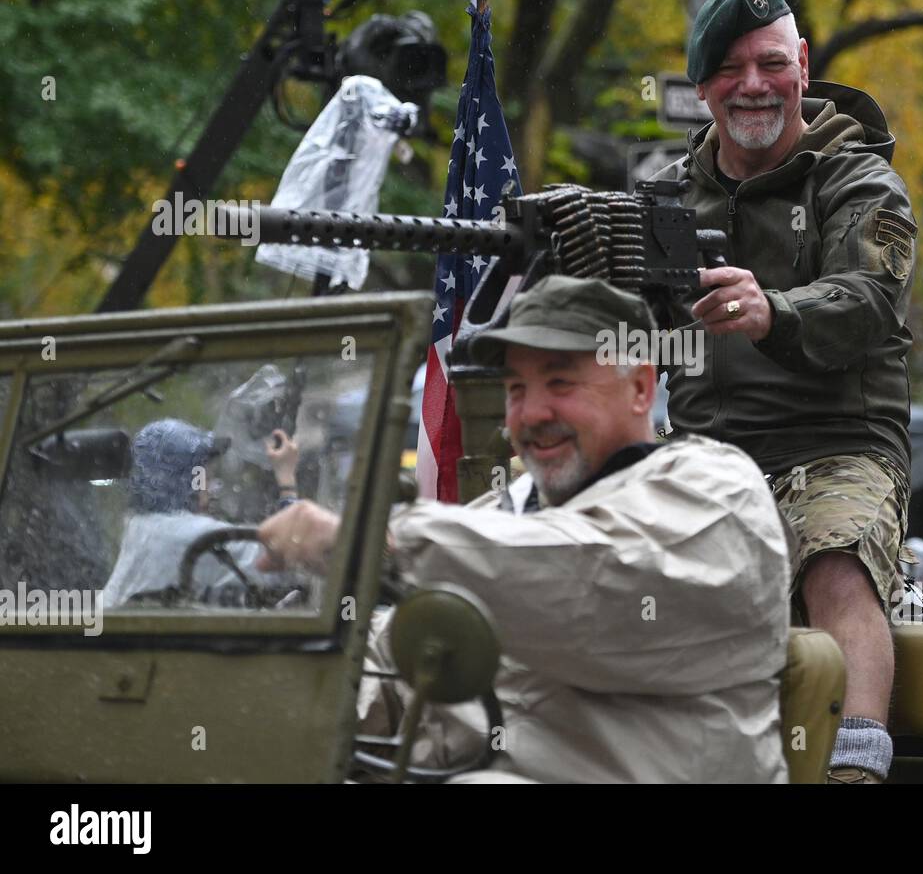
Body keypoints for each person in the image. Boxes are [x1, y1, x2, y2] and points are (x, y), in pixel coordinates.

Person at [258, 276, 792, 783]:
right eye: (515, 389)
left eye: (560, 382)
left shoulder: (716, 491)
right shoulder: (505, 514)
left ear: (639, 388)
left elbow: (585, 582)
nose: (531, 414)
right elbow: (403, 650)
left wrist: (379, 540)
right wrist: (283, 689)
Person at [653, 0, 918, 782]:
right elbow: (614, 324)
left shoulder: (857, 180)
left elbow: (870, 296)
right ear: (702, 89)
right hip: (703, 456)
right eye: (730, 70)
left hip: (837, 444)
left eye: (772, 63)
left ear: (803, 65)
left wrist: (772, 310)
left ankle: (853, 764)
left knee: (832, 556)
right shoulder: (665, 198)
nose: (755, 85)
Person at [103, 419, 302, 608]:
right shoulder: (188, 534)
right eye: (205, 471)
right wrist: (286, 477)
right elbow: (288, 558)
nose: (211, 482)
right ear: (189, 476)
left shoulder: (139, 525)